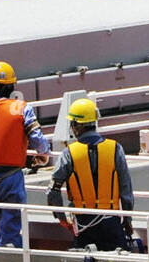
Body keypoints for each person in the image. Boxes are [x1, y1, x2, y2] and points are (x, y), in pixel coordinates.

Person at [0, 61, 50, 248]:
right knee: (11, 229)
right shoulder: (21, 108)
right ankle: (7, 261)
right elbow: (37, 139)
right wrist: (43, 154)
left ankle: (2, 252)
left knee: (3, 224)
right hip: (11, 178)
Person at [46, 98, 135, 251]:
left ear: (76, 126)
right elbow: (126, 189)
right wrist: (127, 219)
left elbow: (52, 191)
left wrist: (62, 218)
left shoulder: (69, 154)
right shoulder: (115, 149)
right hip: (111, 222)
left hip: (84, 224)